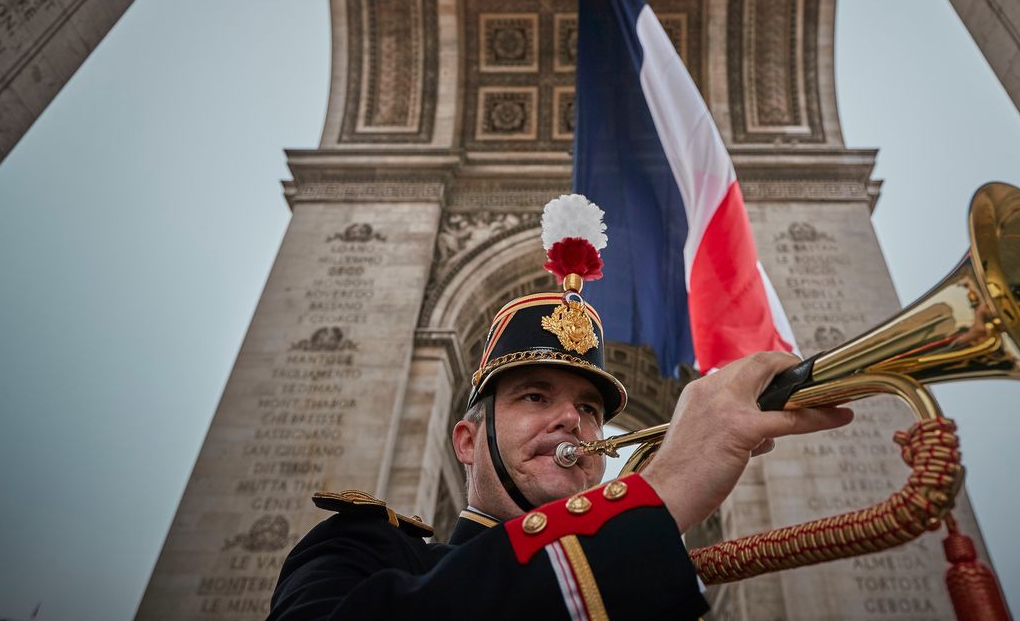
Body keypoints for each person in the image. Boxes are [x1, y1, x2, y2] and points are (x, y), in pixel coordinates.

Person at [269, 202, 853, 620]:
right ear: (467, 440)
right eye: (535, 396)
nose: (573, 419)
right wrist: (664, 491)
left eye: (590, 408)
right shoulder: (360, 549)